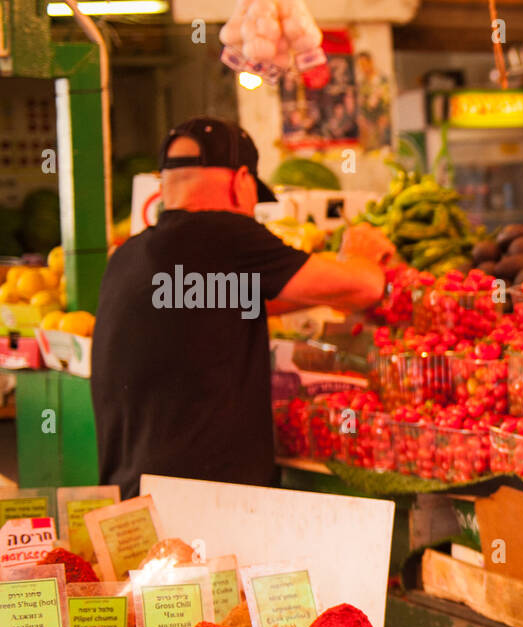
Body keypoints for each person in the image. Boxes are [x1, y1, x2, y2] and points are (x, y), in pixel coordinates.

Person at [92, 117, 395, 498]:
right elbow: (367, 285)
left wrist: (325, 291)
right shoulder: (226, 234)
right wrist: (359, 253)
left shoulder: (129, 256)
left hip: (132, 498)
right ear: (240, 183)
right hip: (205, 507)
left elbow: (225, 303)